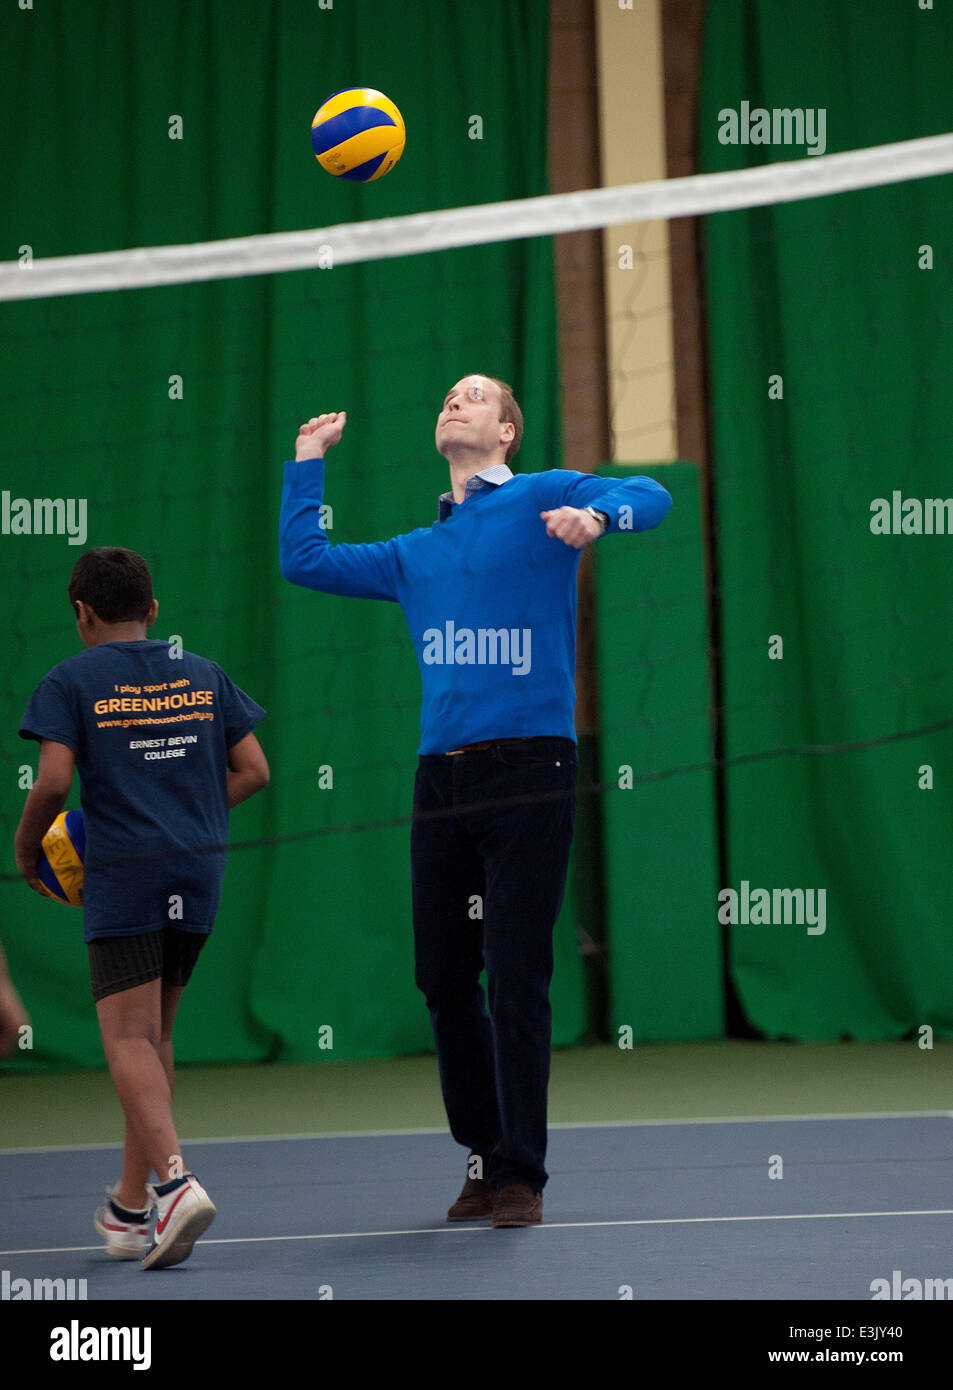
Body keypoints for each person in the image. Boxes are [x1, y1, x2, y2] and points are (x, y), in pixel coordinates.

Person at [280, 374, 671, 1227]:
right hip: (441, 782)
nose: (452, 400)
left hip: (532, 770)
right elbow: (301, 560)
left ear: (506, 432)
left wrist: (599, 517)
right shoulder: (414, 552)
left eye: (474, 395)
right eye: (445, 394)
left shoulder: (545, 497)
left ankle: (521, 1174)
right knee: (444, 979)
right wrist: (307, 461)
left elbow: (655, 493)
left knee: (517, 973)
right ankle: (481, 1153)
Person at [15, 547, 268, 1269]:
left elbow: (54, 782)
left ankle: (175, 1183)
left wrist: (27, 846)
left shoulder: (69, 679)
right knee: (152, 1039)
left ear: (81, 614)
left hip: (125, 872)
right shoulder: (203, 672)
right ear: (154, 611)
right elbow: (255, 770)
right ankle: (131, 1209)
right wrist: (185, 813)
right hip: (198, 866)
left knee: (126, 1041)